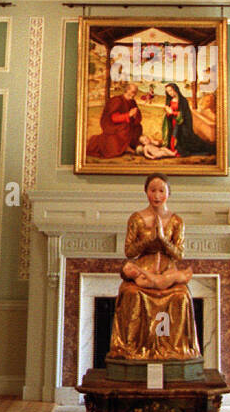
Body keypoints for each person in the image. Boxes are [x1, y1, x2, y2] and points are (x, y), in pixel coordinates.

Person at [107, 173, 200, 361]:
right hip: (144, 269)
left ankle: (175, 349)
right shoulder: (137, 218)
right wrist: (149, 240)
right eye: (152, 190)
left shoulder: (176, 221)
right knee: (131, 294)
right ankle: (132, 347)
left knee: (181, 296)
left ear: (168, 193)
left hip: (168, 269)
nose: (157, 196)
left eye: (161, 191)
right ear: (146, 192)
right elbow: (129, 252)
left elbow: (179, 253)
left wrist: (163, 240)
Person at [85, 82, 143, 159]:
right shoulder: (117, 100)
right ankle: (124, 148)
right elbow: (114, 118)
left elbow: (137, 116)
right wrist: (128, 115)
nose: (134, 94)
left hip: (126, 123)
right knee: (125, 127)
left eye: (135, 93)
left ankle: (129, 145)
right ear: (127, 90)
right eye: (132, 92)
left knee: (138, 127)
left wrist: (136, 115)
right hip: (112, 125)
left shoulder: (132, 102)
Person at [160, 82, 215, 157]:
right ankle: (173, 149)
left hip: (181, 124)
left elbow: (184, 114)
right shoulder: (169, 100)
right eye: (168, 91)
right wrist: (167, 111)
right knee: (172, 137)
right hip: (172, 122)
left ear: (175, 89)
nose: (170, 93)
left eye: (171, 90)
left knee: (183, 142)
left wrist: (173, 112)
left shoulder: (183, 101)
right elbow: (168, 113)